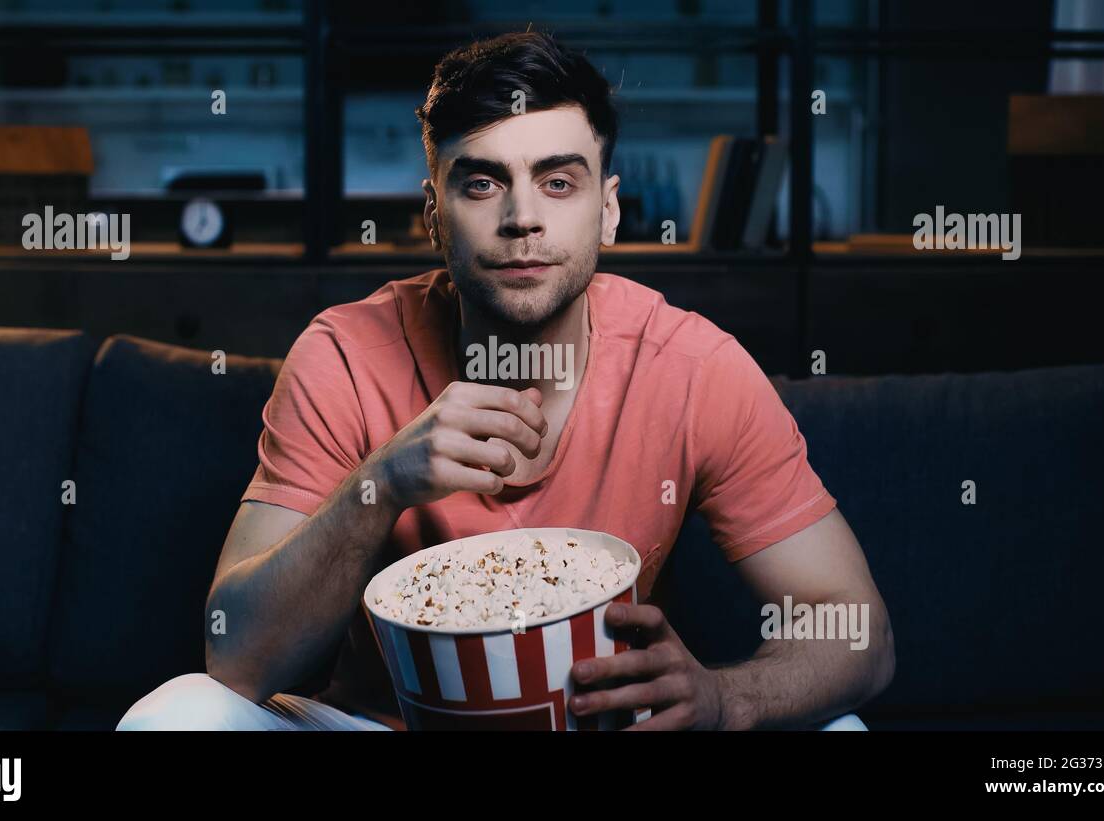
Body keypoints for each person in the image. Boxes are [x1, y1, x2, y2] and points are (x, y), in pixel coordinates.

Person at [119, 30, 893, 732]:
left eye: (558, 182)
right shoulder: (344, 354)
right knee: (177, 715)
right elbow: (235, 659)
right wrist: (379, 485)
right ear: (434, 213)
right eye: (482, 183)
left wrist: (726, 698)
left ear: (609, 211)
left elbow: (859, 628)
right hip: (390, 729)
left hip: (604, 728)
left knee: (841, 733)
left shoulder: (694, 367)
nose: (523, 216)